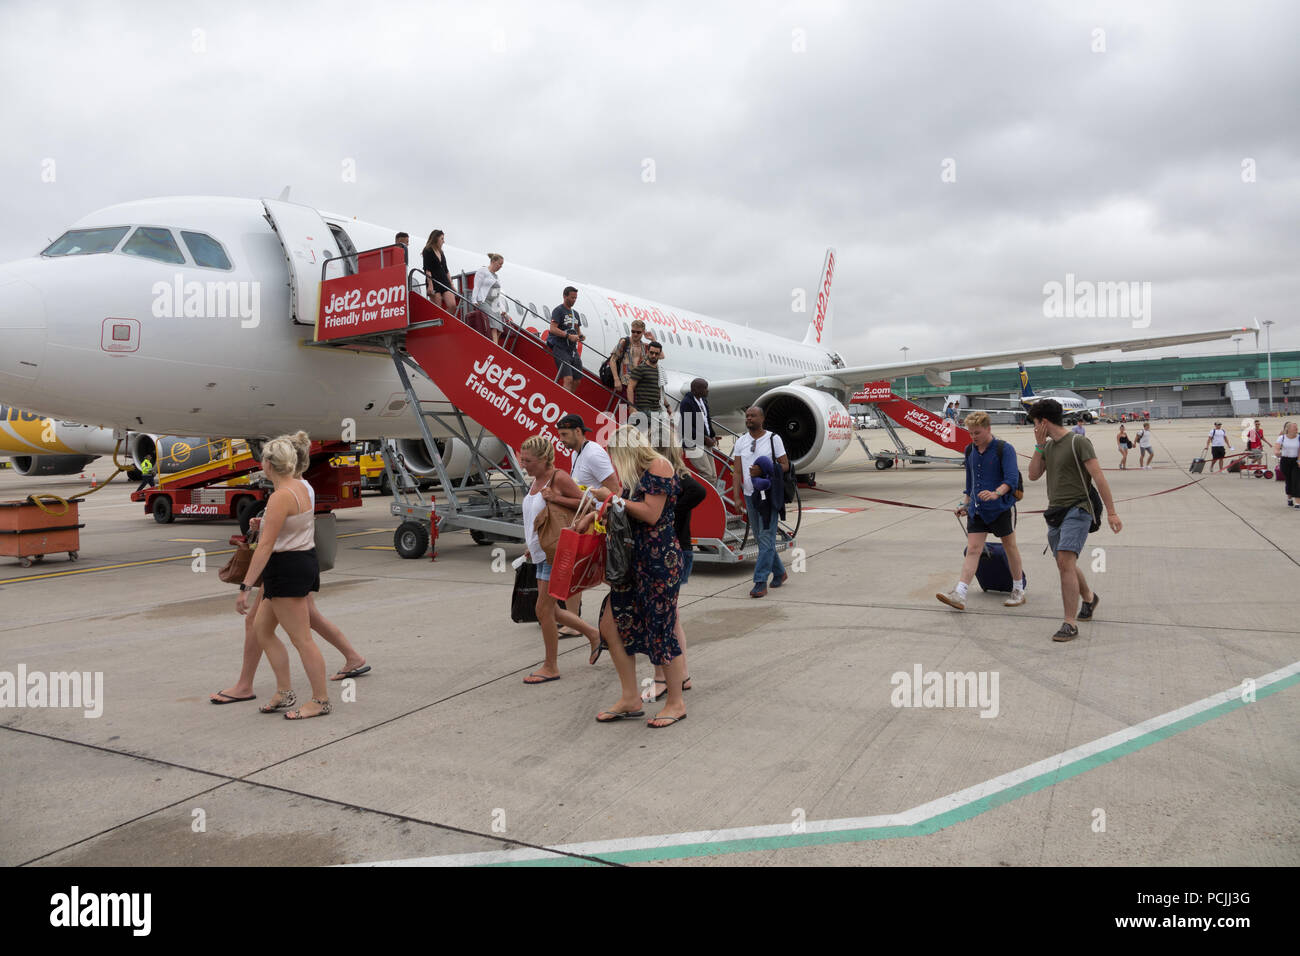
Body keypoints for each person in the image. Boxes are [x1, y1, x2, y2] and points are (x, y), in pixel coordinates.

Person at [573, 426, 685, 728]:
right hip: (632, 561)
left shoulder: (658, 466)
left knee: (660, 628)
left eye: (615, 456)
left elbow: (650, 513)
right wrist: (595, 514)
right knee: (610, 623)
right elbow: (625, 511)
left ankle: (676, 702)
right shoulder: (635, 473)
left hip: (658, 560)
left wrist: (611, 499)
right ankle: (630, 697)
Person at [235, 431, 331, 719]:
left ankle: (321, 700)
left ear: (268, 465)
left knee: (302, 639)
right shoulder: (300, 488)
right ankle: (284, 691)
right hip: (299, 561)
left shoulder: (280, 496)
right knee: (262, 630)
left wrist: (245, 586)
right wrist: (263, 523)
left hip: (287, 568)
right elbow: (285, 528)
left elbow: (265, 546)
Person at [1026, 400, 1122, 643]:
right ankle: (1089, 597)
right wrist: (1038, 447)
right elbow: (1033, 474)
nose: (1035, 428)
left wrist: (1111, 512)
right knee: (1063, 563)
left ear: (1044, 422)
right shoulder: (1046, 447)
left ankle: (1069, 623)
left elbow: (1099, 478)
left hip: (1078, 509)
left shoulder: (1078, 442)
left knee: (1065, 561)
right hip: (1055, 512)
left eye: (1036, 424)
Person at [518, 435, 600, 683]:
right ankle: (594, 635)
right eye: (522, 459)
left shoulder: (558, 478)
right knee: (550, 610)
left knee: (543, 610)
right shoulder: (536, 480)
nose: (524, 465)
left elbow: (587, 504)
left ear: (544, 460)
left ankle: (551, 666)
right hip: (542, 553)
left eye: (528, 460)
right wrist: (530, 545)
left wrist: (557, 498)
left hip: (556, 553)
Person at [937, 411, 1026, 610]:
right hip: (977, 510)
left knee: (1010, 547)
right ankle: (960, 593)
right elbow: (970, 482)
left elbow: (1011, 479)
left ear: (988, 429)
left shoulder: (1004, 449)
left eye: (977, 433)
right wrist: (965, 504)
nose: (973, 437)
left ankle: (1018, 589)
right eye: (970, 433)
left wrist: (996, 493)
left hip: (1000, 508)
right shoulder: (970, 450)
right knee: (973, 550)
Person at [642, 438, 702, 703]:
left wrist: (669, 510)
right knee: (673, 615)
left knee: (668, 616)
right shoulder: (673, 478)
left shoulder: (675, 478)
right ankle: (682, 674)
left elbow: (700, 492)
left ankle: (670, 677)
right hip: (677, 550)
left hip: (675, 551)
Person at [551, 414, 621, 636]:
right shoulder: (577, 453)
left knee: (607, 575)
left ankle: (639, 601)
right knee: (576, 569)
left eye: (564, 434)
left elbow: (615, 490)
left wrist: (597, 516)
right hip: (585, 521)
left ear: (578, 432)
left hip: (599, 523)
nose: (560, 439)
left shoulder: (593, 454)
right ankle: (573, 623)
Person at [732, 405, 790, 598]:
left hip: (768, 495)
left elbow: (785, 465)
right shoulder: (741, 441)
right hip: (750, 496)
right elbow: (738, 470)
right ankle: (780, 572)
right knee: (760, 538)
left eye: (753, 416)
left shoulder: (774, 439)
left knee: (766, 538)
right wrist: (737, 496)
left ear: (762, 419)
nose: (749, 418)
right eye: (747, 416)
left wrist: (765, 470)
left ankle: (759, 581)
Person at [627, 340, 672, 440]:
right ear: (647, 352)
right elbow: (630, 387)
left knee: (658, 439)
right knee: (641, 440)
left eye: (656, 353)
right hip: (643, 409)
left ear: (659, 355)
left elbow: (660, 391)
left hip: (657, 410)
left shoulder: (660, 370)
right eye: (651, 353)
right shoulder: (640, 369)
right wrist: (631, 406)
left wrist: (667, 406)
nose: (653, 355)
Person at [679, 378, 719, 483]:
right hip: (693, 443)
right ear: (696, 389)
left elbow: (707, 420)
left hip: (705, 441)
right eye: (705, 388)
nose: (707, 390)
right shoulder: (686, 402)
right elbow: (686, 427)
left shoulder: (703, 400)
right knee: (707, 475)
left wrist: (712, 435)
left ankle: (711, 499)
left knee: (713, 476)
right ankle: (703, 498)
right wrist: (705, 438)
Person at [548, 286, 585, 392]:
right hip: (561, 347)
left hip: (572, 349)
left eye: (575, 298)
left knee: (577, 379)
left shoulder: (576, 314)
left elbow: (578, 331)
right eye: (572, 297)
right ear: (565, 296)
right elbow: (553, 329)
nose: (574, 300)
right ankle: (563, 402)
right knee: (568, 378)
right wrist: (568, 336)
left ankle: (569, 401)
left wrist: (581, 336)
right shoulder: (559, 310)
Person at [471, 253, 510, 345]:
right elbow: (476, 286)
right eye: (499, 264)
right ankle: (495, 347)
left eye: (502, 265)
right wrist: (474, 300)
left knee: (500, 328)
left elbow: (497, 295)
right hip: (484, 301)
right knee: (494, 325)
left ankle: (493, 344)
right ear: (493, 262)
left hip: (494, 303)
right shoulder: (483, 271)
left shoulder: (496, 277)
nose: (500, 266)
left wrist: (503, 310)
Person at [609, 319, 649, 396]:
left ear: (643, 332)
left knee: (633, 407)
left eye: (638, 332)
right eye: (633, 331)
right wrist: (616, 379)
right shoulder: (624, 342)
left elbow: (661, 356)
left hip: (638, 385)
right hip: (624, 383)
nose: (635, 334)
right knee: (623, 406)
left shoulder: (644, 347)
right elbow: (613, 360)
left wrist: (652, 339)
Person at [421, 229, 455, 311]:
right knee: (438, 308)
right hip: (434, 281)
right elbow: (427, 269)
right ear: (436, 239)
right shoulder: (427, 250)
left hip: (444, 280)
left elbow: (446, 270)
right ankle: (440, 322)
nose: (443, 241)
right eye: (442, 239)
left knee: (452, 305)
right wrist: (430, 285)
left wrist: (452, 285)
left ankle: (446, 321)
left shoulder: (441, 252)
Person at [1273, 422, 1300, 507]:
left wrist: (1299, 460)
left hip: (1296, 461)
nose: (1297, 429)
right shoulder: (1282, 438)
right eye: (1294, 428)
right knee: (1289, 481)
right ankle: (1289, 498)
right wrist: (1277, 452)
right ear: (1288, 429)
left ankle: (1297, 502)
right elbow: (1276, 448)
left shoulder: (1299, 438)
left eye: (1297, 428)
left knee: (1297, 480)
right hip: (1285, 461)